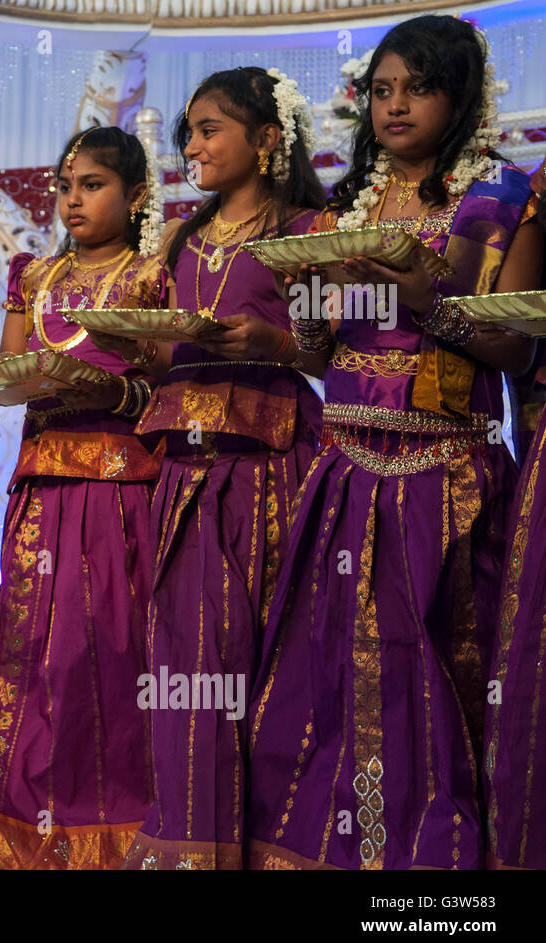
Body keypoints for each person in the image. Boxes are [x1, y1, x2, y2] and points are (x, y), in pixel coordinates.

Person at [247, 16, 543, 870]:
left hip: (449, 476)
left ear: (459, 96)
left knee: (443, 678)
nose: (396, 105)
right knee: (327, 675)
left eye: (418, 86)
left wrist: (426, 294)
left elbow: (515, 346)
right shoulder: (346, 208)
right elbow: (315, 355)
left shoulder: (504, 198)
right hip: (344, 470)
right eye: (381, 89)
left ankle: (433, 877)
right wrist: (302, 297)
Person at [113, 67, 326, 869]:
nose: (192, 147)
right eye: (189, 135)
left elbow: (331, 353)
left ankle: (279, 847)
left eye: (209, 130)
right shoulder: (181, 238)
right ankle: (196, 846)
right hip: (186, 470)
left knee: (278, 658)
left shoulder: (310, 229)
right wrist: (144, 342)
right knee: (192, 661)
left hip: (273, 466)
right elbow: (168, 347)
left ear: (267, 139)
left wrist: (276, 344)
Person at [0, 126, 165, 869]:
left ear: (136, 195)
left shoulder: (152, 278)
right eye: (64, 185)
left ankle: (120, 821)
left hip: (119, 488)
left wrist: (114, 390)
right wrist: (11, 381)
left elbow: (167, 388)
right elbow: (13, 369)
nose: (72, 200)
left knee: (110, 650)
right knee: (31, 653)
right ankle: (26, 822)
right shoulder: (34, 275)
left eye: (92, 185)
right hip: (41, 483)